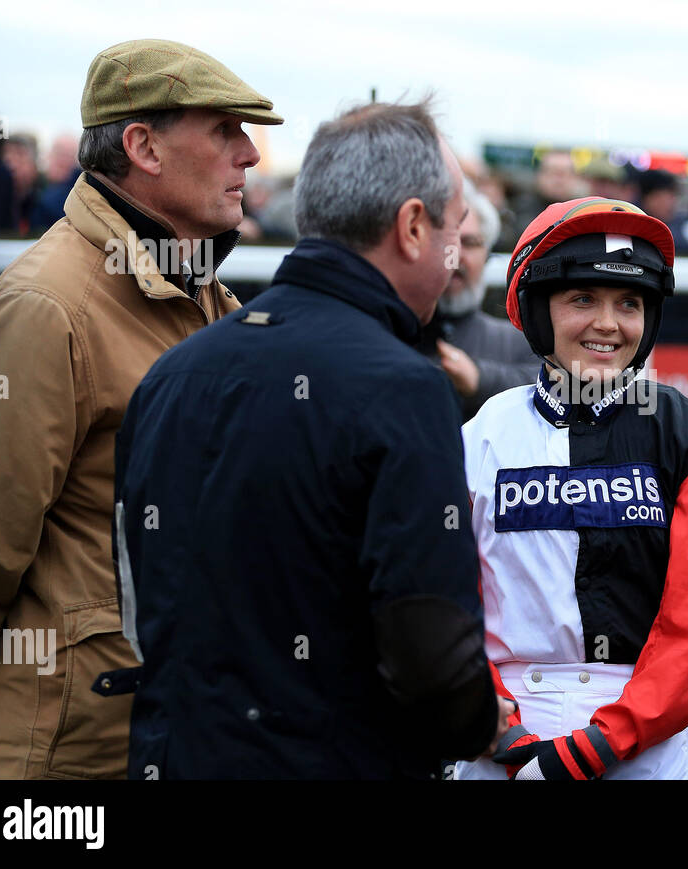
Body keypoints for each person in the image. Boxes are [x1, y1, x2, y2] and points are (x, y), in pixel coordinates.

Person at [113, 100, 509, 779]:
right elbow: (431, 656)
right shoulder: (405, 387)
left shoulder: (171, 373)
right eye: (455, 227)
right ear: (413, 226)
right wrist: (482, 722)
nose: (457, 256)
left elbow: (135, 605)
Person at [0, 38, 281, 780]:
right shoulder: (45, 308)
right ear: (143, 147)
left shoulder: (202, 294)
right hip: (61, 751)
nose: (251, 155)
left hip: (163, 730)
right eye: (225, 130)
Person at [456, 197, 688, 780]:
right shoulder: (482, 434)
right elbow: (445, 595)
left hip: (643, 743)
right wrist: (492, 721)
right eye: (583, 298)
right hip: (497, 734)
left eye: (629, 304)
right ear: (537, 310)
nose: (608, 324)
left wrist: (604, 742)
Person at [422, 180, 541, 420]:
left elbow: (559, 389)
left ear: (487, 255)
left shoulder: (519, 342)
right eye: (446, 240)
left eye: (470, 243)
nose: (456, 255)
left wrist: (479, 379)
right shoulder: (384, 330)